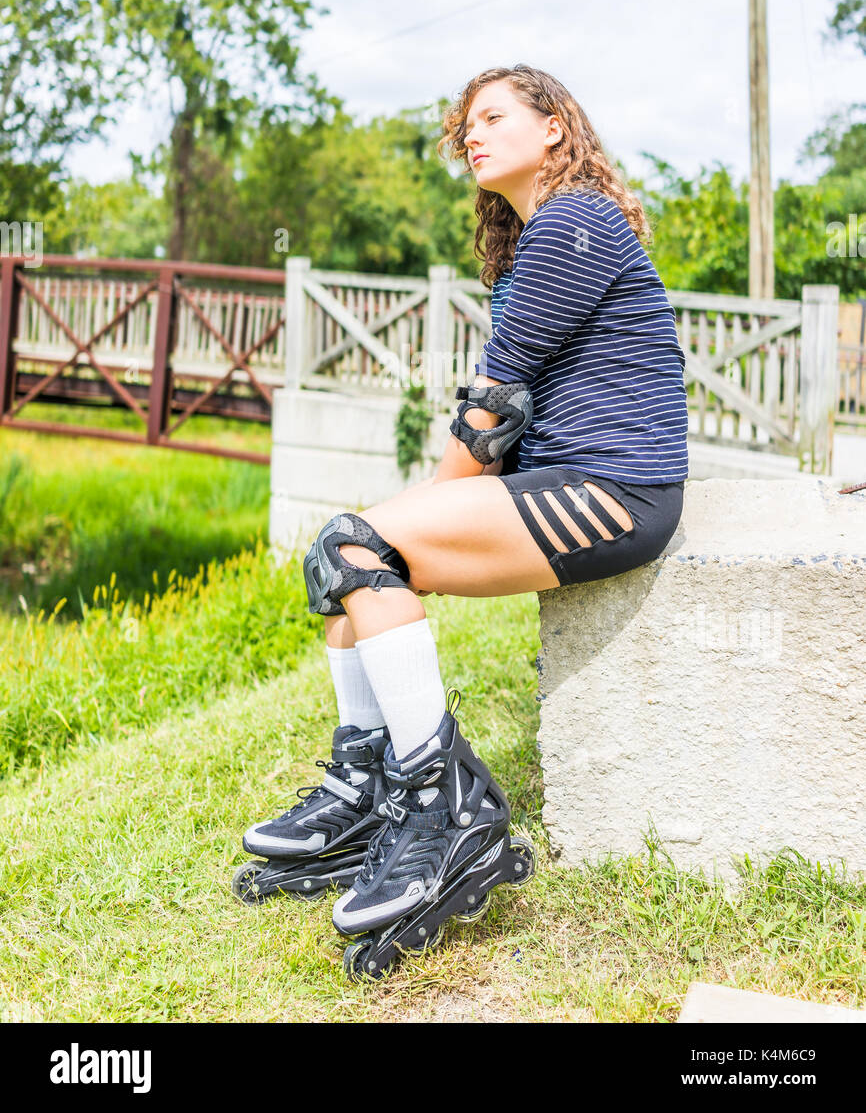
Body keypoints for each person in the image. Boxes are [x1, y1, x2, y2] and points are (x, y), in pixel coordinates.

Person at [235, 63, 689, 979]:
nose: (472, 136)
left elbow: (491, 409)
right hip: (565, 480)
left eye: (494, 117)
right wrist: (398, 523)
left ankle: (448, 811)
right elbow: (501, 416)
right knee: (346, 556)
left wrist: (406, 519)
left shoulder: (577, 221)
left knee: (356, 547)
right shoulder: (538, 237)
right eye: (465, 127)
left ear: (556, 126)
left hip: (614, 492)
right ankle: (367, 786)